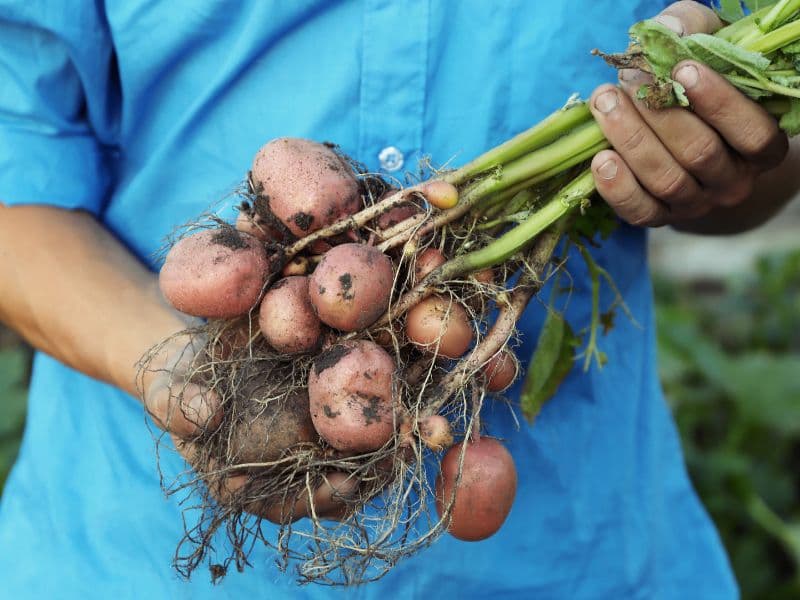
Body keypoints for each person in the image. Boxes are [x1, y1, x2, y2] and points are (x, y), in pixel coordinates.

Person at [0, 1, 796, 597]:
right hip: (124, 555)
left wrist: (728, 150)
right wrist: (180, 372)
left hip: (574, 555)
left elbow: (766, 162)